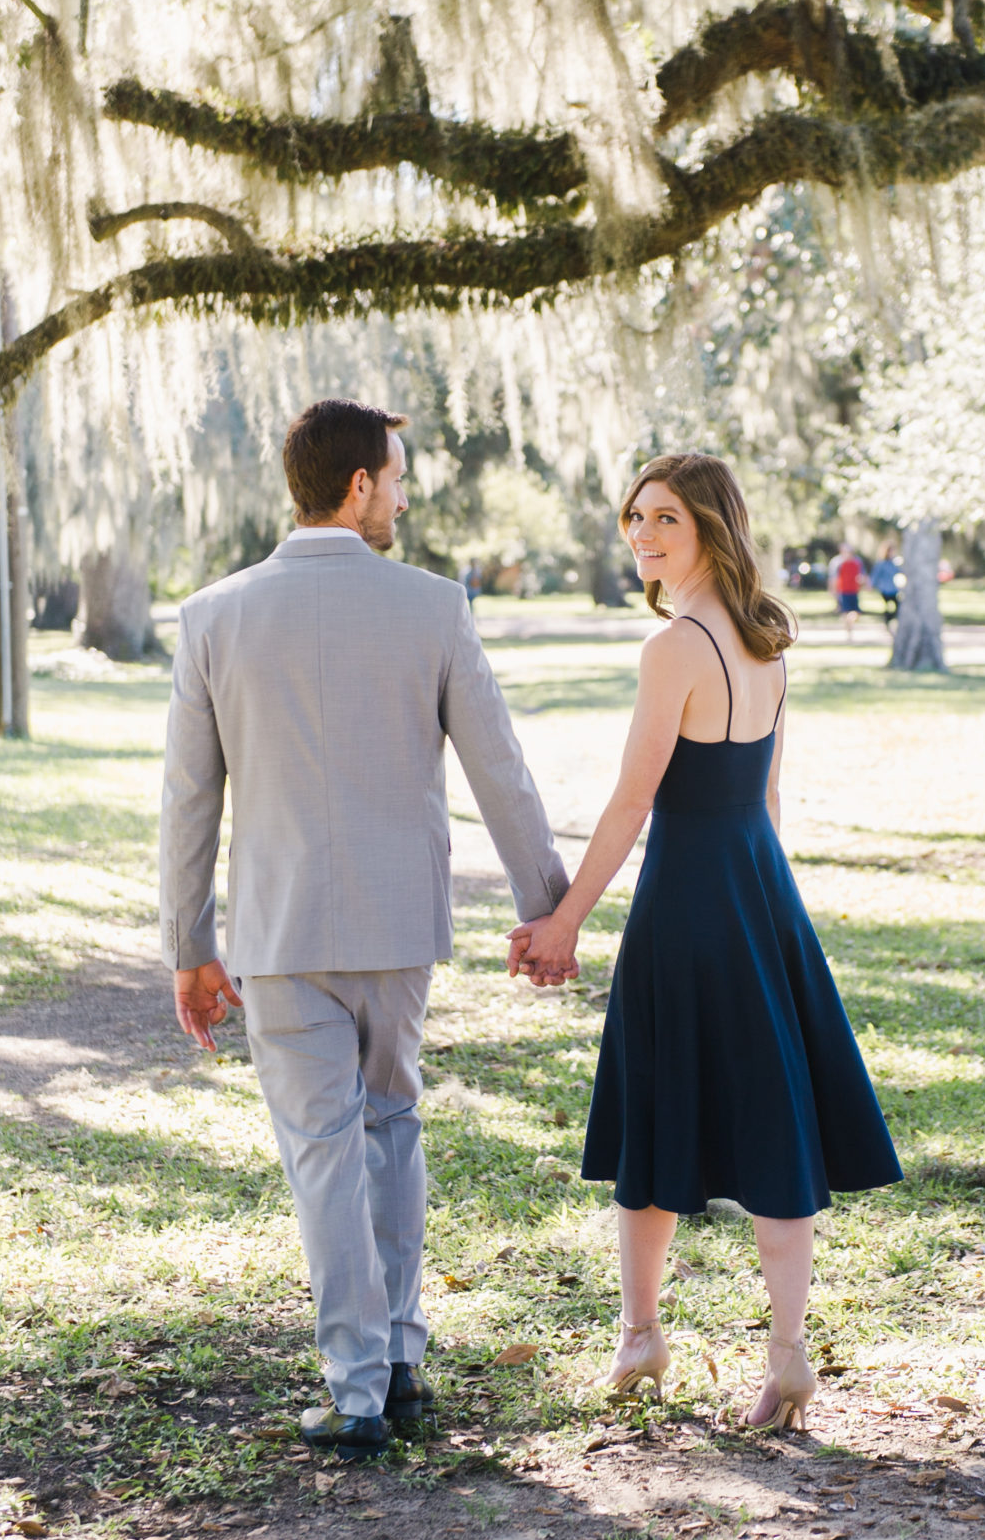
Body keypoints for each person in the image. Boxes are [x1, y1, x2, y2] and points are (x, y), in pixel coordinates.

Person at [160, 400, 567, 1463]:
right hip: (397, 924)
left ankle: (357, 1388)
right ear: (354, 486)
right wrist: (546, 902)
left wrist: (188, 945)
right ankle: (396, 1359)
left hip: (279, 929)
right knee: (390, 1125)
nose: (401, 496)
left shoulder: (215, 613)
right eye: (394, 478)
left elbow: (187, 801)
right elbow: (500, 767)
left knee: (322, 1152)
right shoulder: (434, 605)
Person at [507, 454, 900, 1433]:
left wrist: (564, 918)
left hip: (685, 902)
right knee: (770, 1118)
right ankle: (785, 1353)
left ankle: (642, 1332)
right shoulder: (764, 637)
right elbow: (767, 799)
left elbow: (633, 801)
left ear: (711, 526)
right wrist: (771, 907)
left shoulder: (676, 645)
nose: (642, 533)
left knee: (659, 1111)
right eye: (633, 515)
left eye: (665, 518)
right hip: (760, 893)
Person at [831, 540, 864, 640]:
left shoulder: (856, 563)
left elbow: (861, 576)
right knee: (845, 611)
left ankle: (849, 624)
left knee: (856, 612)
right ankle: (849, 632)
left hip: (854, 591)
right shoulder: (839, 564)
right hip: (844, 591)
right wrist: (833, 591)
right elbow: (835, 579)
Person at [870, 542, 902, 625]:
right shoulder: (881, 563)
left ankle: (892, 621)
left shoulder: (894, 563)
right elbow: (875, 576)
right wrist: (872, 585)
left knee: (898, 607)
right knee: (889, 607)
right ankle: (887, 621)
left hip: (894, 589)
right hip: (885, 589)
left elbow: (900, 571)